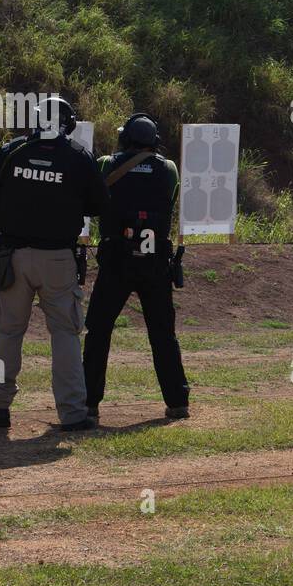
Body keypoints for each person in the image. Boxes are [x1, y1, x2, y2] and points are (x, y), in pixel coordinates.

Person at [0, 95, 110, 430]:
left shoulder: (11, 152)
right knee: (65, 334)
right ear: (69, 124)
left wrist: (0, 234)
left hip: (13, 256)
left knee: (7, 333)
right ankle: (73, 412)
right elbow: (99, 204)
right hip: (58, 259)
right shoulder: (78, 156)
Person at [82, 112, 190, 421]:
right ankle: (177, 400)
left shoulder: (107, 164)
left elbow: (95, 195)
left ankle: (89, 403)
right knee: (163, 333)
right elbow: (170, 197)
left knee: (99, 331)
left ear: (125, 138)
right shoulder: (168, 169)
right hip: (155, 261)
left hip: (117, 260)